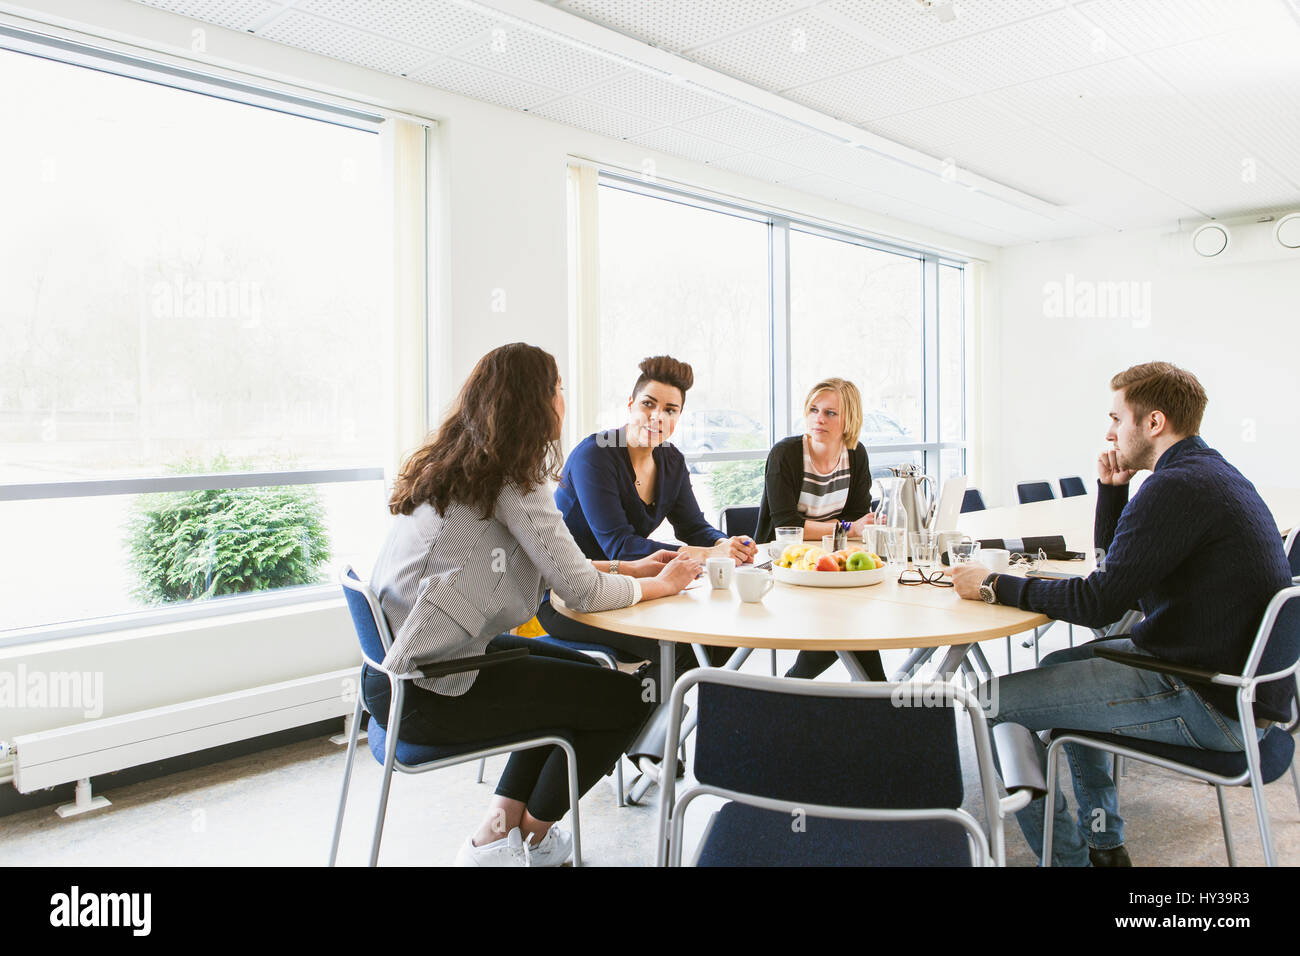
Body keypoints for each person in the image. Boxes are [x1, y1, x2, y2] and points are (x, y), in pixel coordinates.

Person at [365, 343, 703, 867]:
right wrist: (663, 585)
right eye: (558, 389)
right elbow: (582, 592)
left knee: (578, 682)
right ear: (533, 403)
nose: (563, 399)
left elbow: (559, 567)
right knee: (628, 699)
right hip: (430, 688)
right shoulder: (514, 482)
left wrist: (632, 570)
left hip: (398, 673)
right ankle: (533, 838)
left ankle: (497, 836)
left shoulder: (461, 467)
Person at [951, 361, 1293, 866]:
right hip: (1233, 690)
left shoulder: (1175, 487)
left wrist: (992, 585)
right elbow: (1122, 582)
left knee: (989, 701)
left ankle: (1064, 860)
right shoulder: (1208, 472)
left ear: (1153, 422)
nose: (1109, 432)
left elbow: (1098, 605)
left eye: (1116, 418)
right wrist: (1112, 491)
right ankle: (1106, 847)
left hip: (1210, 699)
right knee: (1055, 666)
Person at [537, 355, 757, 678]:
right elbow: (621, 547)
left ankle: (655, 702)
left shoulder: (671, 460)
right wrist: (708, 554)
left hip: (633, 587)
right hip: (569, 596)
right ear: (630, 404)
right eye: (648, 404)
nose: (657, 417)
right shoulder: (594, 455)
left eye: (670, 410)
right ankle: (642, 707)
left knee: (721, 639)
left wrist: (727, 544)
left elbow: (693, 526)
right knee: (687, 647)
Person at [755, 377, 886, 682]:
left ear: (849, 419)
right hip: (782, 566)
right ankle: (876, 692)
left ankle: (796, 686)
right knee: (846, 619)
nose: (819, 419)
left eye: (830, 413)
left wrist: (849, 528)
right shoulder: (786, 454)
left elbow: (858, 514)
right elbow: (786, 526)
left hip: (830, 564)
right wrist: (846, 528)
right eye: (814, 410)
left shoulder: (855, 454)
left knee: (849, 616)